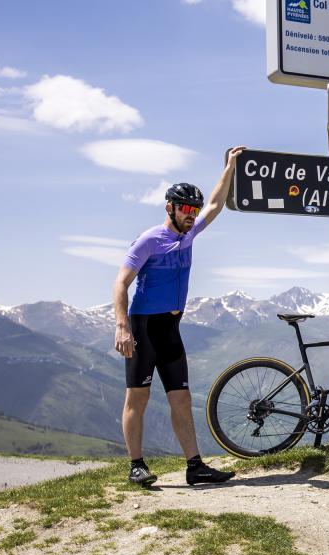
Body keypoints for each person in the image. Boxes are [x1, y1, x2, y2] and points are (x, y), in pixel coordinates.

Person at [112, 146, 245, 487]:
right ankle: (136, 465)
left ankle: (195, 466)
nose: (192, 214)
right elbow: (121, 283)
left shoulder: (189, 235)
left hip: (170, 329)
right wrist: (123, 327)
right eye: (186, 208)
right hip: (143, 327)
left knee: (181, 399)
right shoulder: (149, 240)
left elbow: (216, 204)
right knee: (137, 398)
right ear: (169, 208)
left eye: (194, 210)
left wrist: (229, 165)